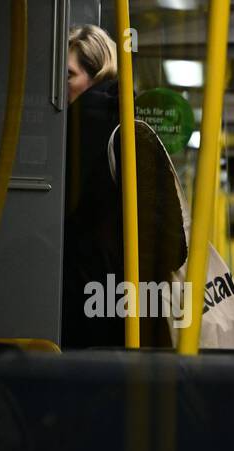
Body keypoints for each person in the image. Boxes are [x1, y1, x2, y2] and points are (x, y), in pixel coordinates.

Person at [62, 25, 184, 349]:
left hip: (85, 318)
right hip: (126, 319)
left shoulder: (97, 138)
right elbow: (173, 246)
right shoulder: (132, 136)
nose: (62, 90)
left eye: (69, 76)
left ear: (97, 74)